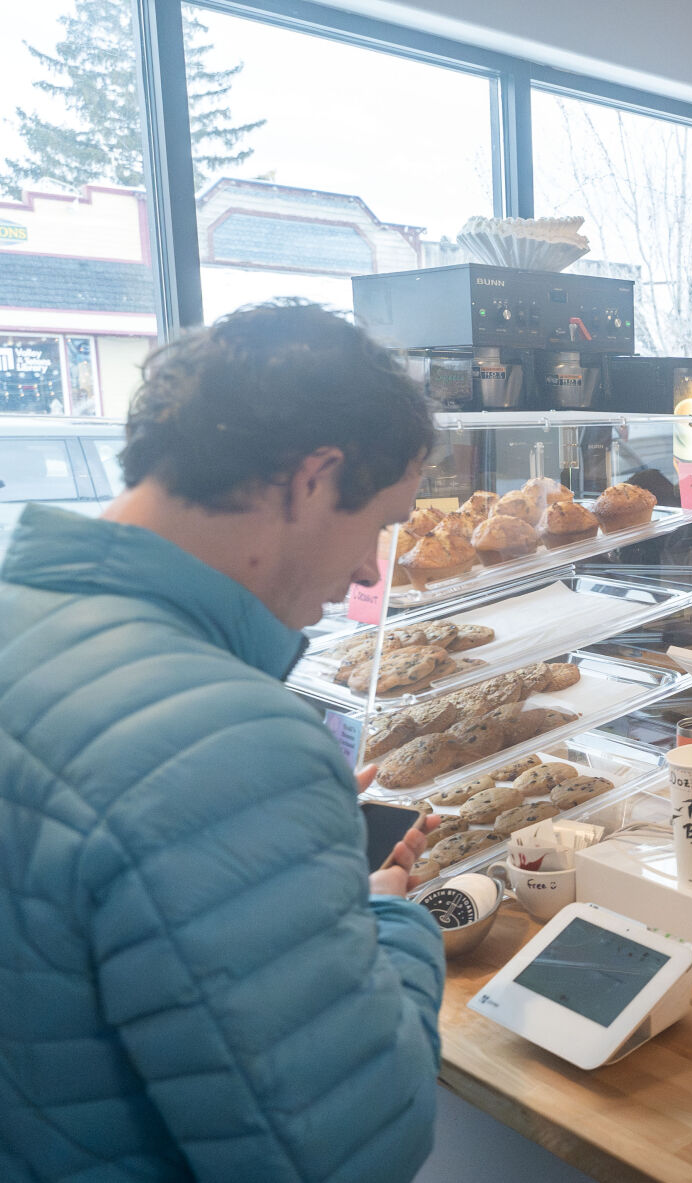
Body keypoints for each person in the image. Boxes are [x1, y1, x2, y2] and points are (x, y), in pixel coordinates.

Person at [0, 301, 446, 1181]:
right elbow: (356, 1149)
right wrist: (386, 913)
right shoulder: (232, 744)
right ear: (313, 479)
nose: (368, 569)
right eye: (380, 525)